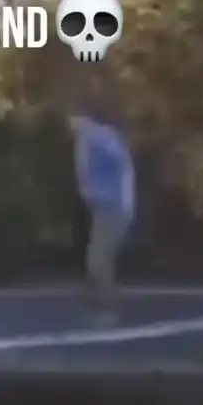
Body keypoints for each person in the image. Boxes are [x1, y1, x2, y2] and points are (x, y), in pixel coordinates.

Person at [69, 99, 136, 321]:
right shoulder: (91, 140)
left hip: (114, 207)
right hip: (107, 207)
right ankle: (98, 300)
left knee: (98, 258)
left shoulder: (102, 138)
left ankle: (107, 307)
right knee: (97, 256)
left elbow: (120, 168)